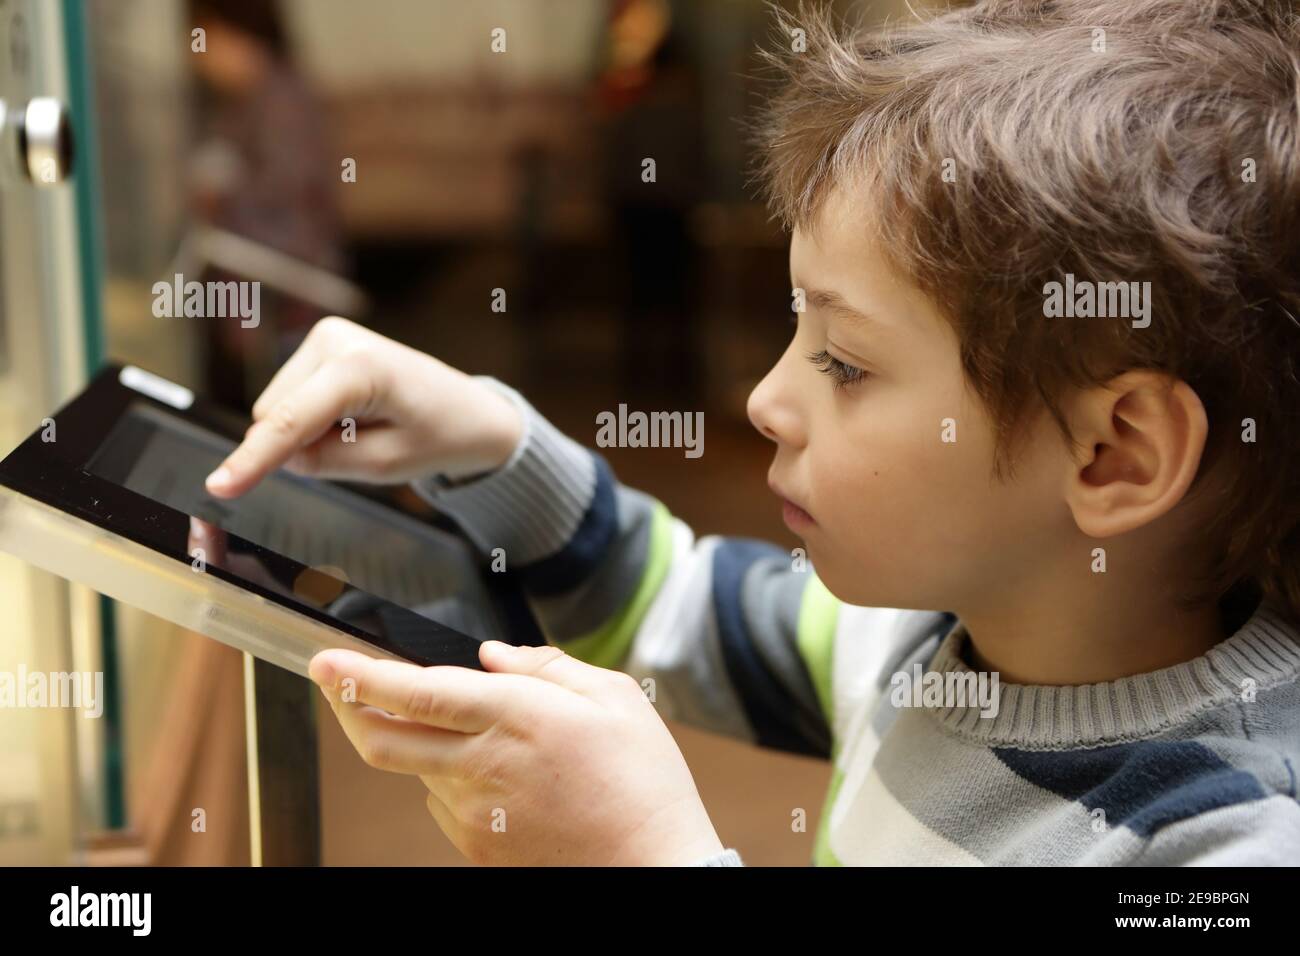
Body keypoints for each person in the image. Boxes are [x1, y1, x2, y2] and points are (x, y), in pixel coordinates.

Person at [204, 0, 1300, 865]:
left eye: (848, 361)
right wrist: (490, 441)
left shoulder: (1219, 842)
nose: (766, 402)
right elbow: (665, 604)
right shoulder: (910, 642)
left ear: (1116, 453)